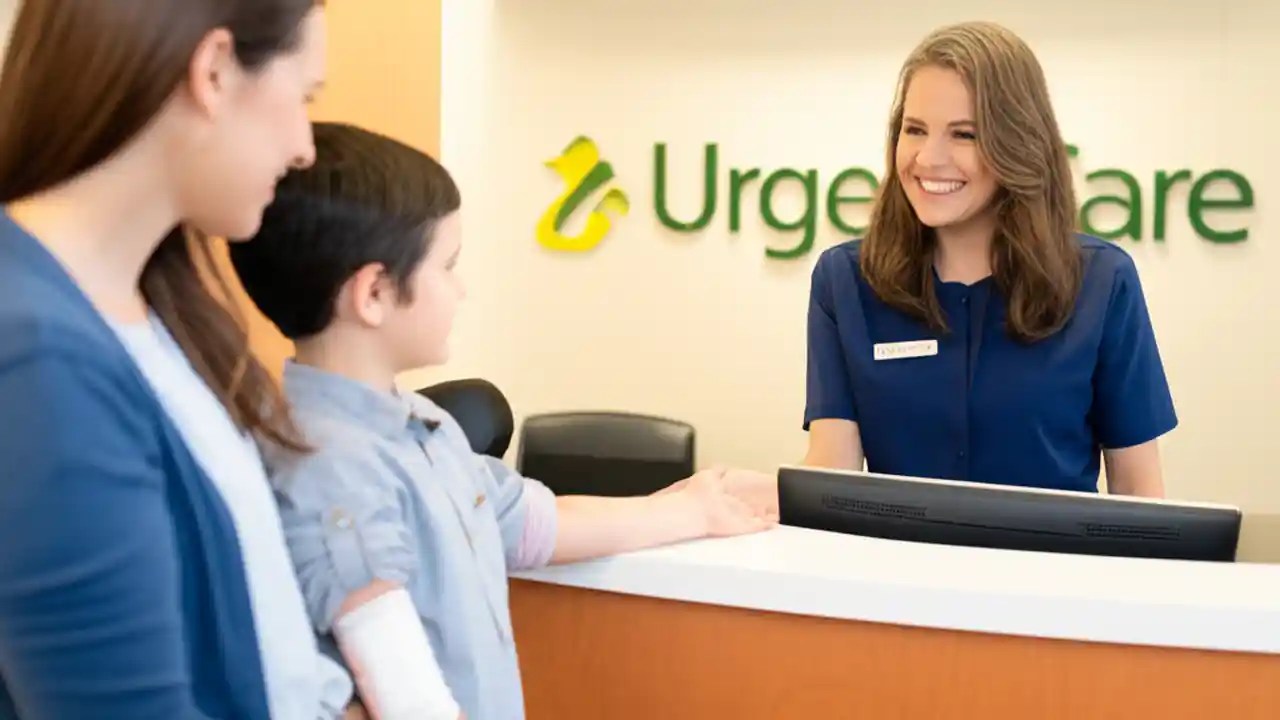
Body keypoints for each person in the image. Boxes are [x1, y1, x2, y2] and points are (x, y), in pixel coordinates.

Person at [228, 121, 779, 720]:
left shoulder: (421, 423)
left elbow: (534, 522)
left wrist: (688, 508)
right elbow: (406, 697)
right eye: (448, 266)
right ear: (375, 293)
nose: (461, 289)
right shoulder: (327, 462)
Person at [0, 1, 359, 718]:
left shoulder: (153, 311)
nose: (304, 148)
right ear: (216, 70)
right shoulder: (39, 357)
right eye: (304, 99)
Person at [802, 21, 1176, 497]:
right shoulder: (846, 281)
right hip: (894, 570)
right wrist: (747, 498)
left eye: (965, 135)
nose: (927, 158)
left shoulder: (1103, 281)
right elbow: (831, 469)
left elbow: (1140, 493)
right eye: (915, 130)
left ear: (1017, 143)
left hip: (1057, 570)